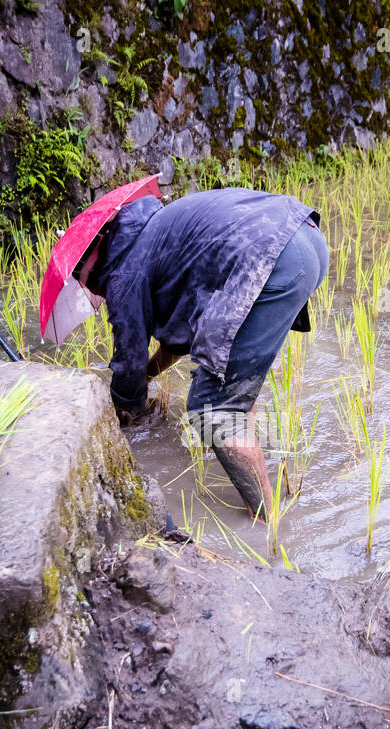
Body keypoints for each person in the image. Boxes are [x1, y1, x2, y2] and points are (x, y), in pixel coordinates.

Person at [73, 186, 329, 521]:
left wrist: (123, 408)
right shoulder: (153, 233)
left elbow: (129, 361)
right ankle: (258, 463)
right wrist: (150, 375)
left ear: (92, 263)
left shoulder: (122, 273)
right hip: (304, 239)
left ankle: (269, 521)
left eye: (87, 284)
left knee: (213, 409)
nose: (95, 292)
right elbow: (182, 340)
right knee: (229, 380)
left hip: (270, 262)